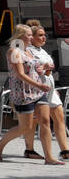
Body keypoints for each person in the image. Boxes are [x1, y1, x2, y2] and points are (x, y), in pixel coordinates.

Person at [0, 24, 60, 164]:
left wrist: (43, 68)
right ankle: (0, 145)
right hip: (23, 94)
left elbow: (34, 67)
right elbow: (20, 74)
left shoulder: (28, 51)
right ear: (20, 36)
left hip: (38, 92)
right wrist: (39, 84)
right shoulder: (14, 52)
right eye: (28, 35)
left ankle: (49, 157)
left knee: (45, 122)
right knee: (25, 127)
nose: (31, 37)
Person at [22, 22, 69, 161]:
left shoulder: (44, 51)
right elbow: (28, 71)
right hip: (36, 90)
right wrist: (44, 66)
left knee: (59, 118)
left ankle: (65, 150)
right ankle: (29, 149)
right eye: (40, 35)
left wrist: (49, 72)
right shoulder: (27, 51)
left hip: (50, 89)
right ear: (32, 37)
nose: (44, 38)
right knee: (36, 121)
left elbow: (46, 73)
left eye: (45, 35)